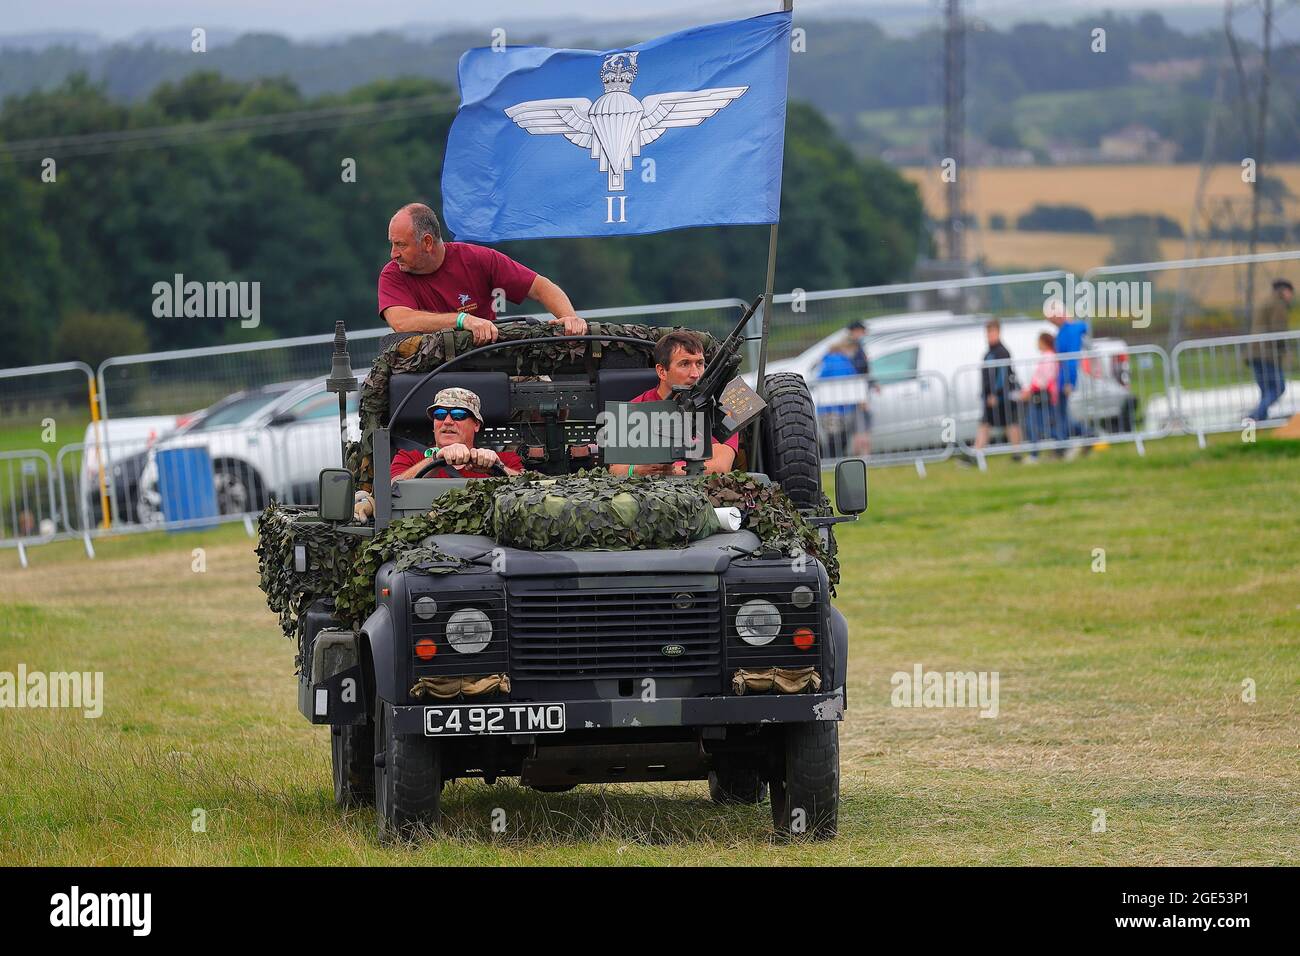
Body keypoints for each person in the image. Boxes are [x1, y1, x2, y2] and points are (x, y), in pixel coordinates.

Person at [379, 203, 587, 345]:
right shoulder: (392, 275)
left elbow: (541, 287)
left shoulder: (477, 258)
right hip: (431, 372)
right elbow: (402, 321)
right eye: (392, 244)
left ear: (427, 242)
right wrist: (464, 320)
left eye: (400, 245)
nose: (393, 254)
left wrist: (570, 319)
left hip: (490, 359)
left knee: (548, 395)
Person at [354, 387, 524, 521]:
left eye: (458, 415)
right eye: (440, 414)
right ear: (434, 423)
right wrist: (435, 459)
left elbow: (532, 490)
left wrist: (495, 467)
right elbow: (390, 490)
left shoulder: (506, 460)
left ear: (476, 424)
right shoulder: (410, 458)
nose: (447, 421)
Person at [611, 330, 738, 477]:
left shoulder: (719, 409)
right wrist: (636, 470)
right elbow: (615, 469)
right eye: (685, 364)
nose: (695, 373)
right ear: (662, 371)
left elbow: (721, 467)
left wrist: (670, 472)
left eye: (700, 364)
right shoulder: (631, 410)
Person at [1048, 298, 1091, 455]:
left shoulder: (1070, 331)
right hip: (1060, 379)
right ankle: (1078, 438)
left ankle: (1084, 436)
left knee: (1062, 415)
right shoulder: (1063, 332)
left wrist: (1069, 382)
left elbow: (1071, 359)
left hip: (1064, 379)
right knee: (1061, 414)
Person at [1246, 279, 1293, 422]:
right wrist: (1284, 349)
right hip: (1267, 353)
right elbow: (1278, 331)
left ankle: (1260, 418)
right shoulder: (1277, 304)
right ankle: (1254, 416)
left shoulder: (1265, 300)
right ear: (1284, 291)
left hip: (1254, 352)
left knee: (1267, 389)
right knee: (1278, 387)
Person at [974, 319, 1023, 453]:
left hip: (1001, 396)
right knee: (985, 424)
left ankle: (1017, 452)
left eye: (992, 332)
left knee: (1011, 422)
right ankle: (976, 453)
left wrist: (994, 394)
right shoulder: (989, 353)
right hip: (992, 396)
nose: (989, 335)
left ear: (998, 332)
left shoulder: (1002, 352)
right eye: (988, 332)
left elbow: (1002, 376)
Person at [815, 339, 862, 459]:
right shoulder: (841, 362)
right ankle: (834, 459)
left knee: (832, 436)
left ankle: (831, 459)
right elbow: (849, 380)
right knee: (839, 437)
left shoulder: (825, 362)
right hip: (841, 407)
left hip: (826, 408)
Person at [1018, 332, 1059, 463]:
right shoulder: (1048, 357)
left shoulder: (1049, 357)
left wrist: (1030, 390)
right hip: (1040, 393)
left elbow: (1044, 378)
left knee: (1034, 425)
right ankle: (1061, 444)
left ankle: (1036, 454)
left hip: (1041, 394)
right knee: (1040, 425)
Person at [845, 320, 879, 455]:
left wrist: (872, 383)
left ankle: (863, 455)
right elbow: (857, 372)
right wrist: (861, 397)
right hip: (857, 392)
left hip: (860, 390)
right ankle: (863, 455)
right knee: (861, 425)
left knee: (861, 424)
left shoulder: (857, 346)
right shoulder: (852, 349)